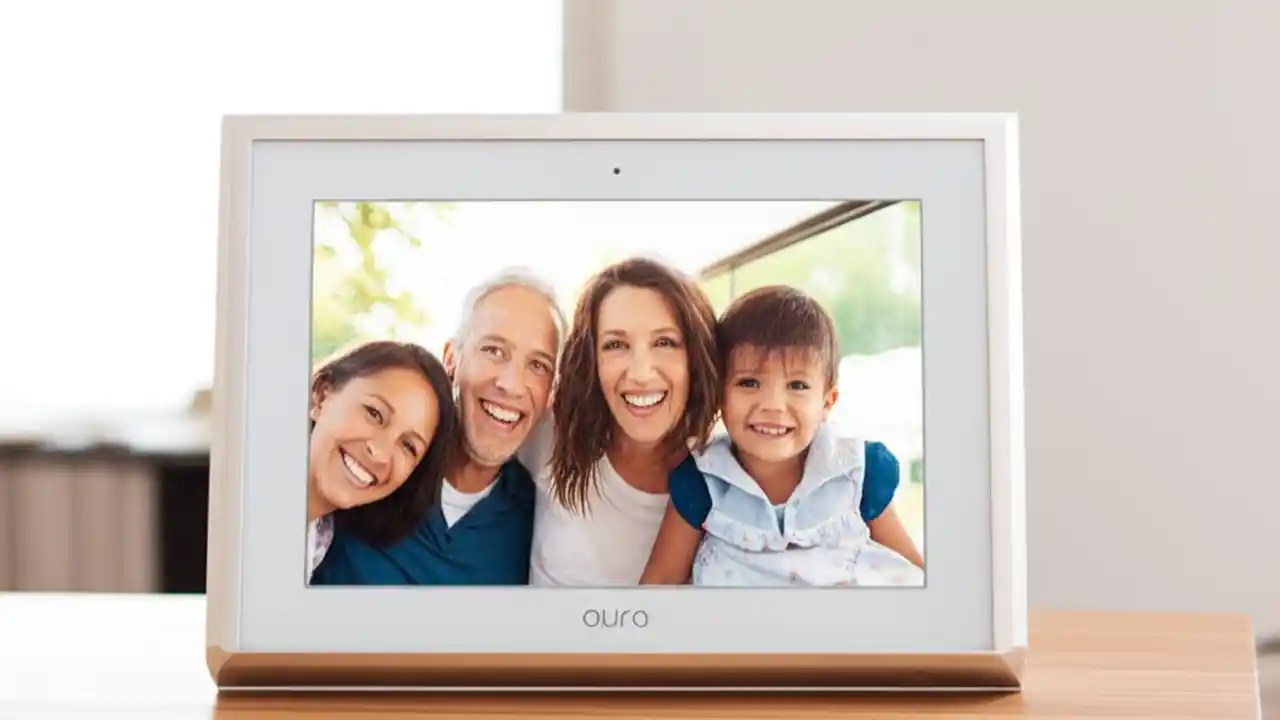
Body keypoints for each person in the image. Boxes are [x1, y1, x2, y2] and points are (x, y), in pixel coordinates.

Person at [640, 285, 924, 586]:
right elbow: (658, 586)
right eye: (749, 383)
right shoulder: (702, 481)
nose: (773, 406)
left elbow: (918, 578)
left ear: (827, 401)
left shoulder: (856, 473)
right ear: (719, 396)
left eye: (798, 386)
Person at [311, 269, 565, 585]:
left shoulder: (541, 522)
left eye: (538, 366)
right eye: (493, 350)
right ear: (451, 359)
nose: (511, 384)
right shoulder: (374, 462)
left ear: (551, 393)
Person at [519, 257, 722, 586]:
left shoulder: (727, 475)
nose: (641, 373)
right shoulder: (548, 436)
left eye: (664, 343)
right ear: (591, 361)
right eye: (616, 345)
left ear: (695, 357)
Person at [305, 340, 455, 582]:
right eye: (374, 413)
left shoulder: (322, 538)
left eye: (408, 446)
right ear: (322, 395)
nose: (381, 453)